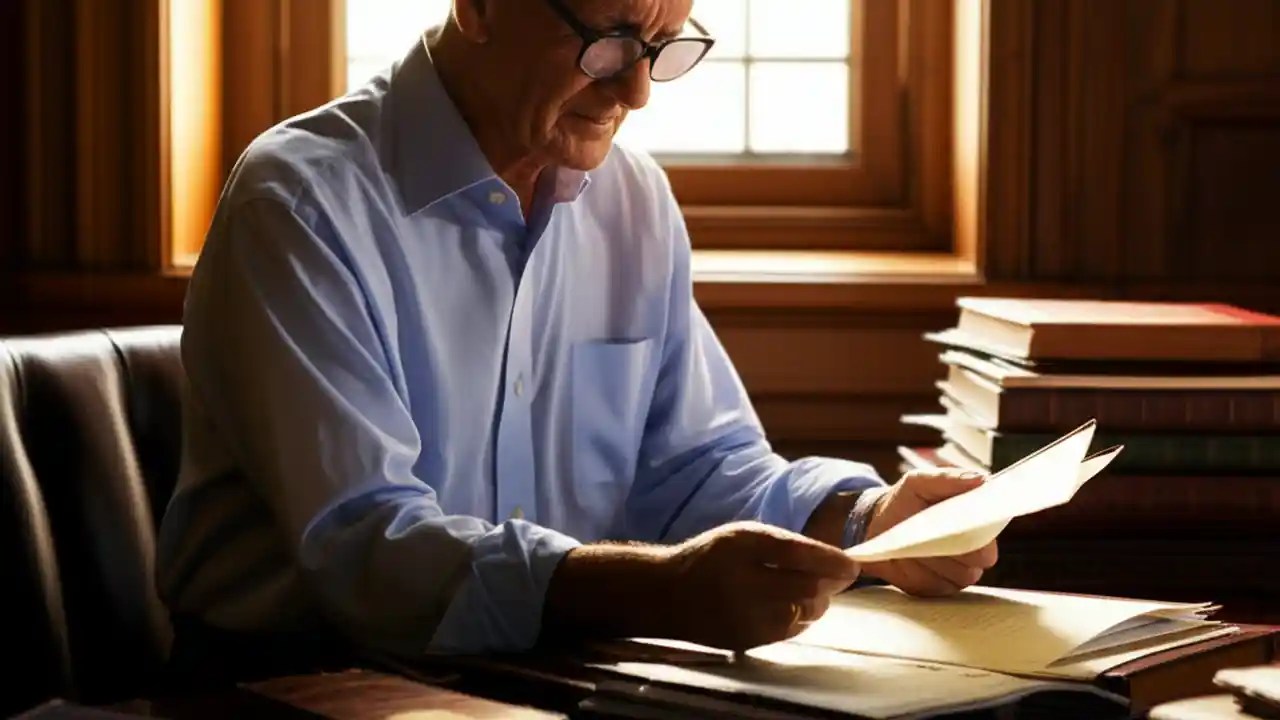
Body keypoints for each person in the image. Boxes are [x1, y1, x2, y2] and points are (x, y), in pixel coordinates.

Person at [156, 0, 998, 681]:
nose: (636, 95)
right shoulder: (302, 203)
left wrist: (869, 520)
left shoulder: (630, 198)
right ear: (478, 8)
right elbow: (365, 548)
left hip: (554, 681)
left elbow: (696, 465)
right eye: (608, 43)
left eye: (665, 46)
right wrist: (653, 591)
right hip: (292, 688)